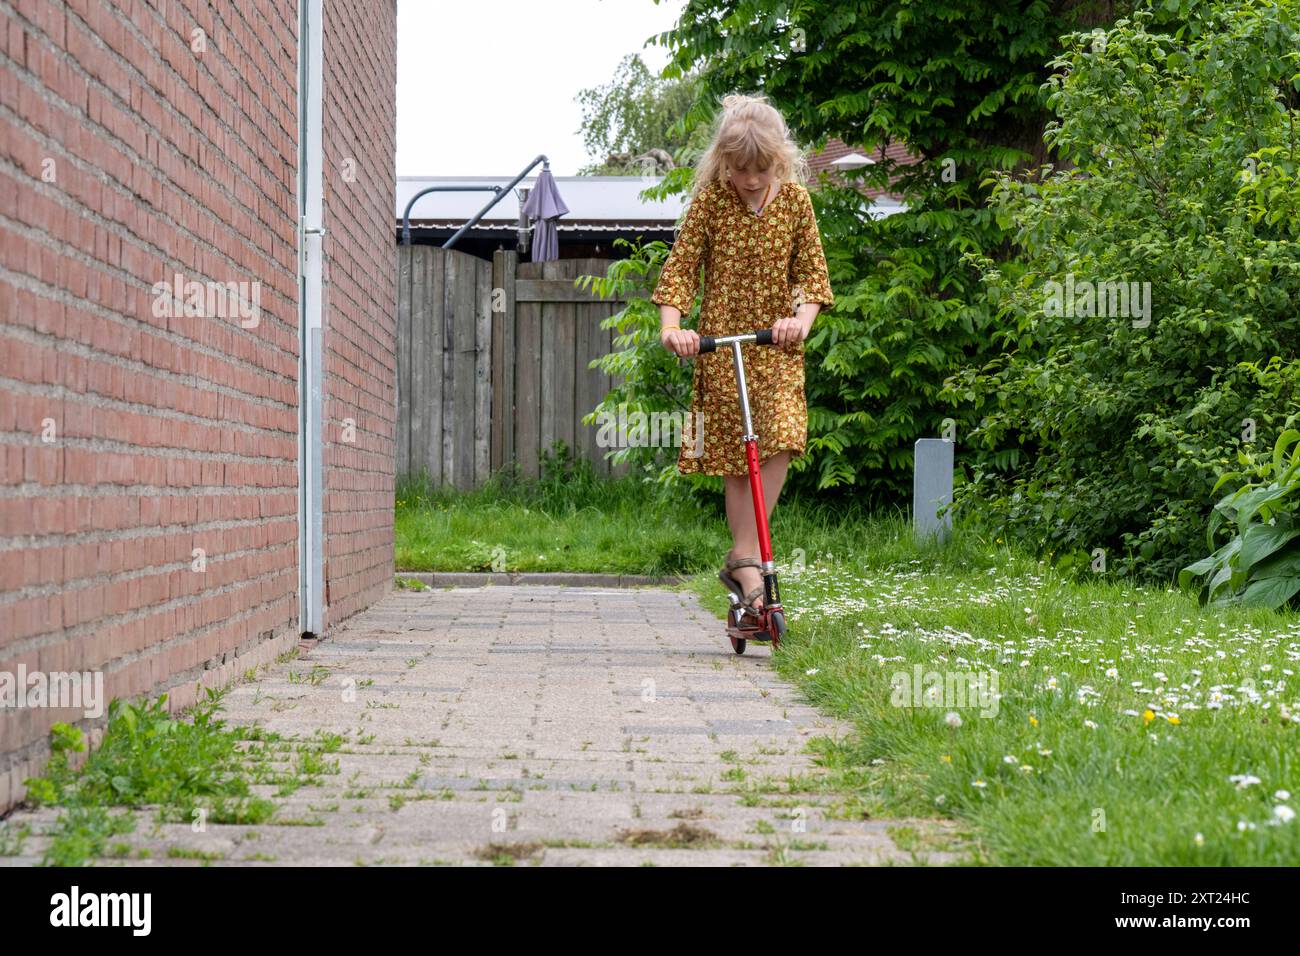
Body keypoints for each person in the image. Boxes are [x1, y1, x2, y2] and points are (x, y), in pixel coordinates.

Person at [650, 92, 834, 613]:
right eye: (739, 169)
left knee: (783, 434)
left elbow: (812, 276)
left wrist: (799, 321)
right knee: (738, 458)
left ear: (778, 160)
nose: (750, 179)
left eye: (760, 168)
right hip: (722, 345)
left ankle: (742, 556)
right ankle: (745, 564)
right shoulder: (711, 202)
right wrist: (673, 329)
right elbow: (680, 271)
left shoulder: (797, 201)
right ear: (722, 162)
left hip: (775, 347)